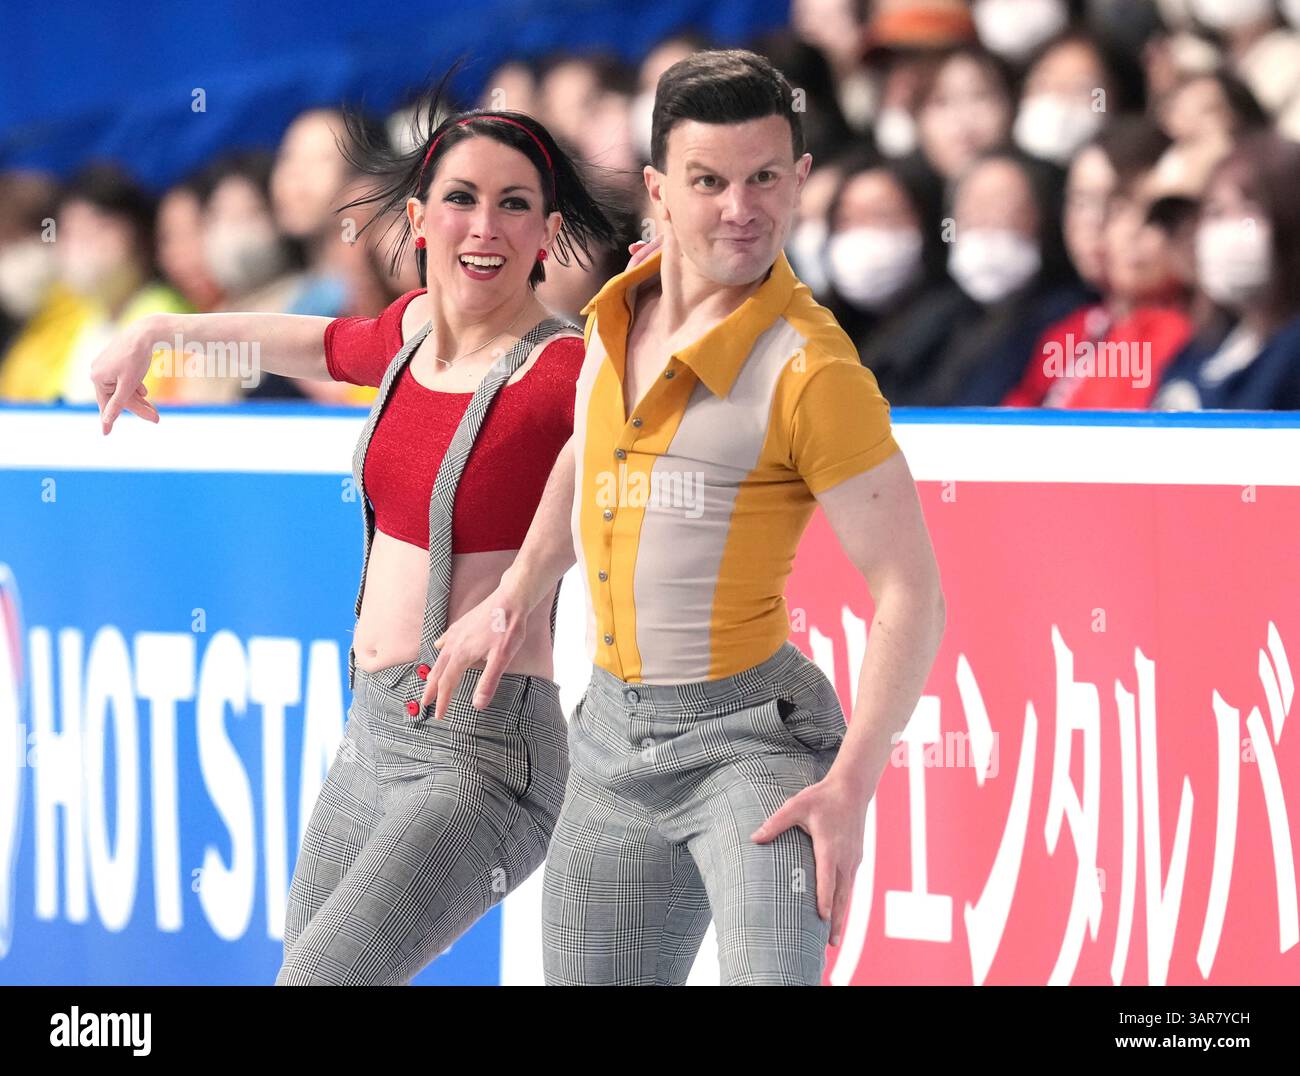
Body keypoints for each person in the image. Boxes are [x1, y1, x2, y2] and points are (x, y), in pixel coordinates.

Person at [90, 76, 627, 984]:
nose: (484, 227)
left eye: (514, 206)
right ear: (418, 219)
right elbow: (313, 346)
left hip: (485, 753)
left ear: (546, 233)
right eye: (461, 199)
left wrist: (520, 594)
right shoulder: (414, 332)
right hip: (373, 732)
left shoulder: (570, 372)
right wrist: (168, 334)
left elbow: (611, 487)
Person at [426, 49, 946, 986]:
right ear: (660, 191)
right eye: (709, 182)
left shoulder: (812, 370)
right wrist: (516, 591)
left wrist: (855, 783)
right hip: (608, 741)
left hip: (753, 748)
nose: (741, 208)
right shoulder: (612, 315)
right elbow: (587, 453)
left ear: (802, 181)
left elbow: (910, 589)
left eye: (764, 179)